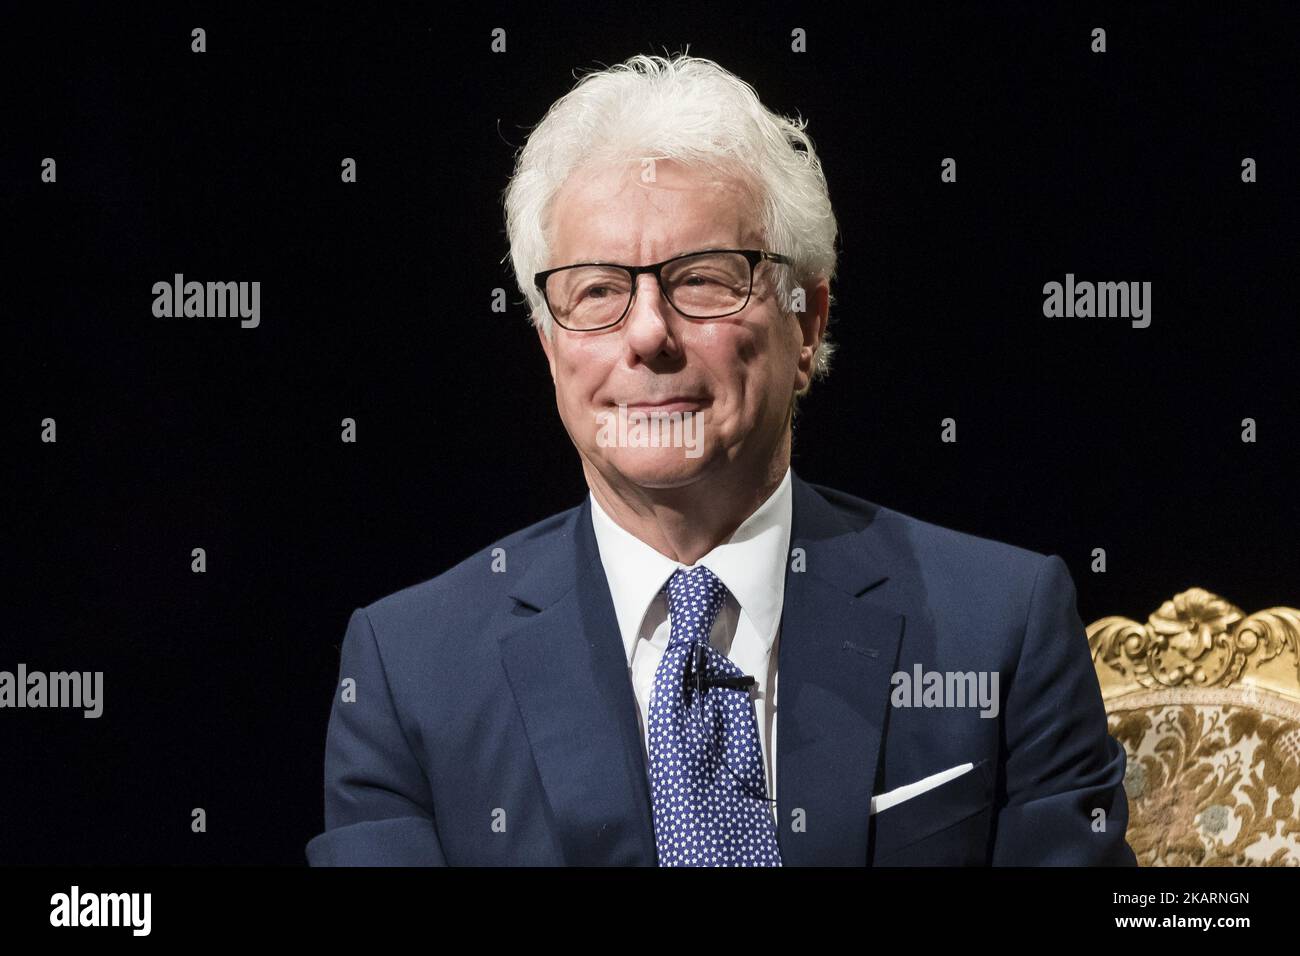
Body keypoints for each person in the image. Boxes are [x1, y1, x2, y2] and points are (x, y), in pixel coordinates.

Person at [306, 53, 1136, 866]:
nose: (647, 334)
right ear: (551, 346)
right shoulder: (409, 671)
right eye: (596, 291)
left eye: (701, 279)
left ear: (806, 324)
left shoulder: (999, 627)